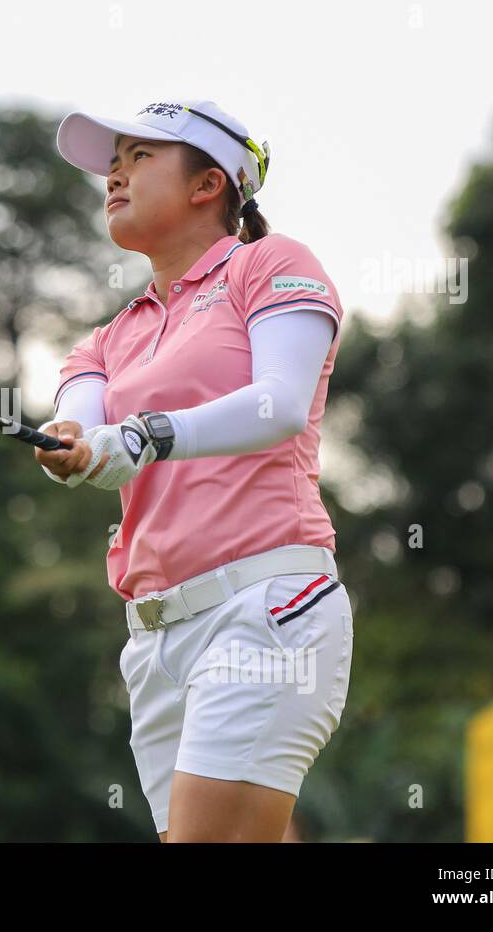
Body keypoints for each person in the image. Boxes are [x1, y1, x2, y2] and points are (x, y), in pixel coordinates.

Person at [36, 98, 354, 842]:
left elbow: (278, 403)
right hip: (155, 644)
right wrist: (72, 450)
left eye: (138, 158)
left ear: (209, 185)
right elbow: (84, 429)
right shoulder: (107, 339)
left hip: (265, 603)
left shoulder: (270, 265)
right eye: (111, 164)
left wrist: (142, 436)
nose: (113, 176)